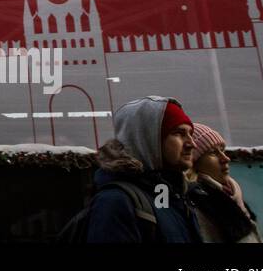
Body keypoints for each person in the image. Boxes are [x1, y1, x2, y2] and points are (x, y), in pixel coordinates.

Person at [85, 96, 202, 242]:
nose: (192, 144)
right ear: (146, 138)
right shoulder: (115, 202)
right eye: (178, 133)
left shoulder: (173, 194)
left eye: (191, 134)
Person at [185, 123, 262, 242]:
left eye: (222, 150)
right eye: (213, 153)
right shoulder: (201, 206)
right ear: (194, 163)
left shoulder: (231, 196)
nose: (225, 159)